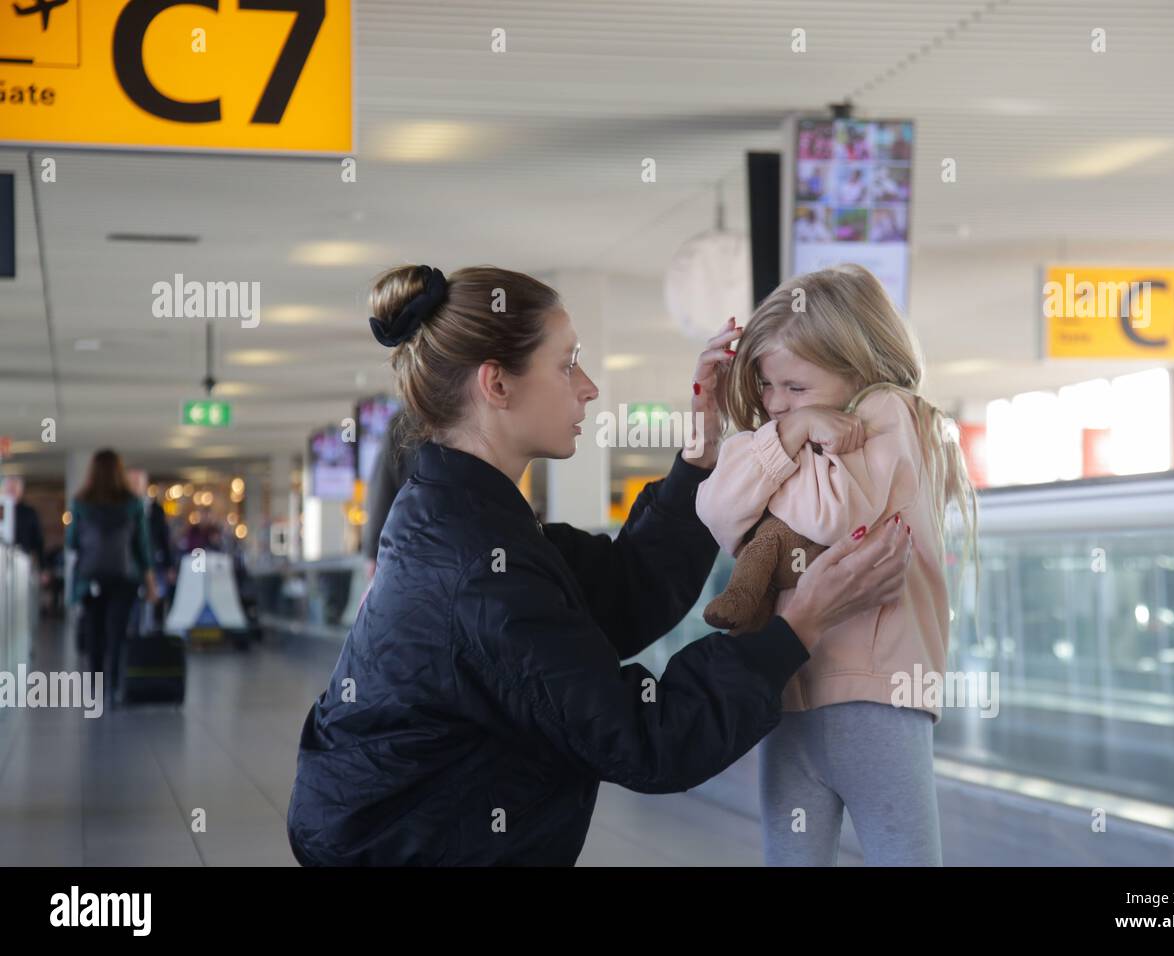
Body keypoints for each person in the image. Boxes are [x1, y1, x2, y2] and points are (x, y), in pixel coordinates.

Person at [286, 264, 911, 866]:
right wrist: (797, 624)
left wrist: (702, 454)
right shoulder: (476, 560)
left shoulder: (466, 514)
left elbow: (622, 591)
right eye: (567, 364)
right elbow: (644, 741)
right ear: (497, 384)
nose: (587, 386)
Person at [696, 263, 978, 866]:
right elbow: (718, 512)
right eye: (768, 389)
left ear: (861, 367)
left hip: (875, 693)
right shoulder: (799, 432)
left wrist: (765, 451)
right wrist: (791, 432)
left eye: (795, 390)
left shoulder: (889, 410)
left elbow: (832, 515)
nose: (774, 405)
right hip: (791, 688)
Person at [66, 450, 157, 700]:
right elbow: (142, 547)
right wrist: (150, 583)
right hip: (124, 577)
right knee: (117, 632)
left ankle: (95, 684)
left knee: (95, 632)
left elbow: (72, 542)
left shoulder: (81, 502)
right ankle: (115, 684)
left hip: (91, 577)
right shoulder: (133, 503)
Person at [360, 411, 418, 578]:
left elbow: (381, 491)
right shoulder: (470, 411)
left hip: (409, 548)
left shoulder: (403, 424)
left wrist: (372, 551)